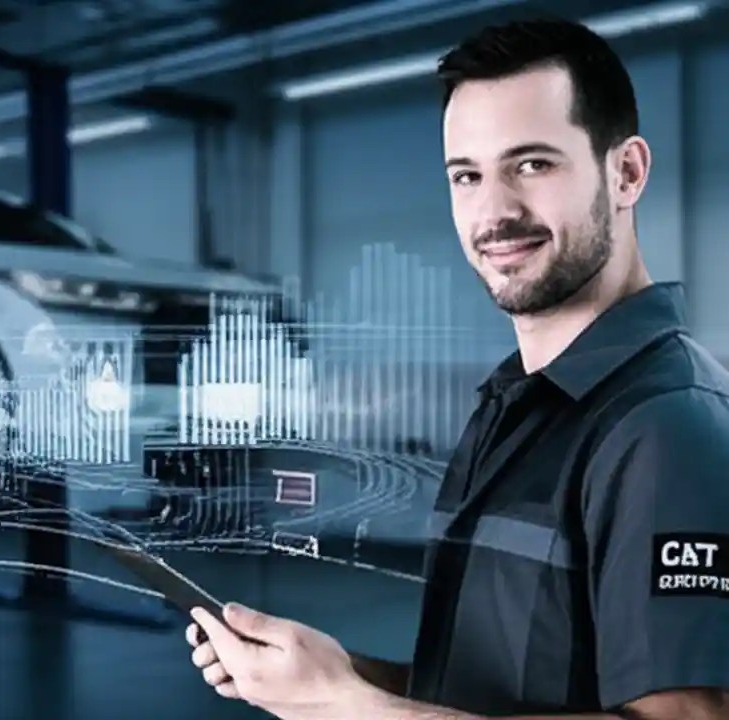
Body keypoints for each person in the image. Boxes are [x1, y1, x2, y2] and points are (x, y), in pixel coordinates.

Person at [188, 17, 729, 720]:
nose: (495, 211)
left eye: (532, 164)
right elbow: (487, 693)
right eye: (467, 175)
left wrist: (355, 709)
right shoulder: (509, 408)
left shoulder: (666, 423)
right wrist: (331, 679)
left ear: (625, 172)